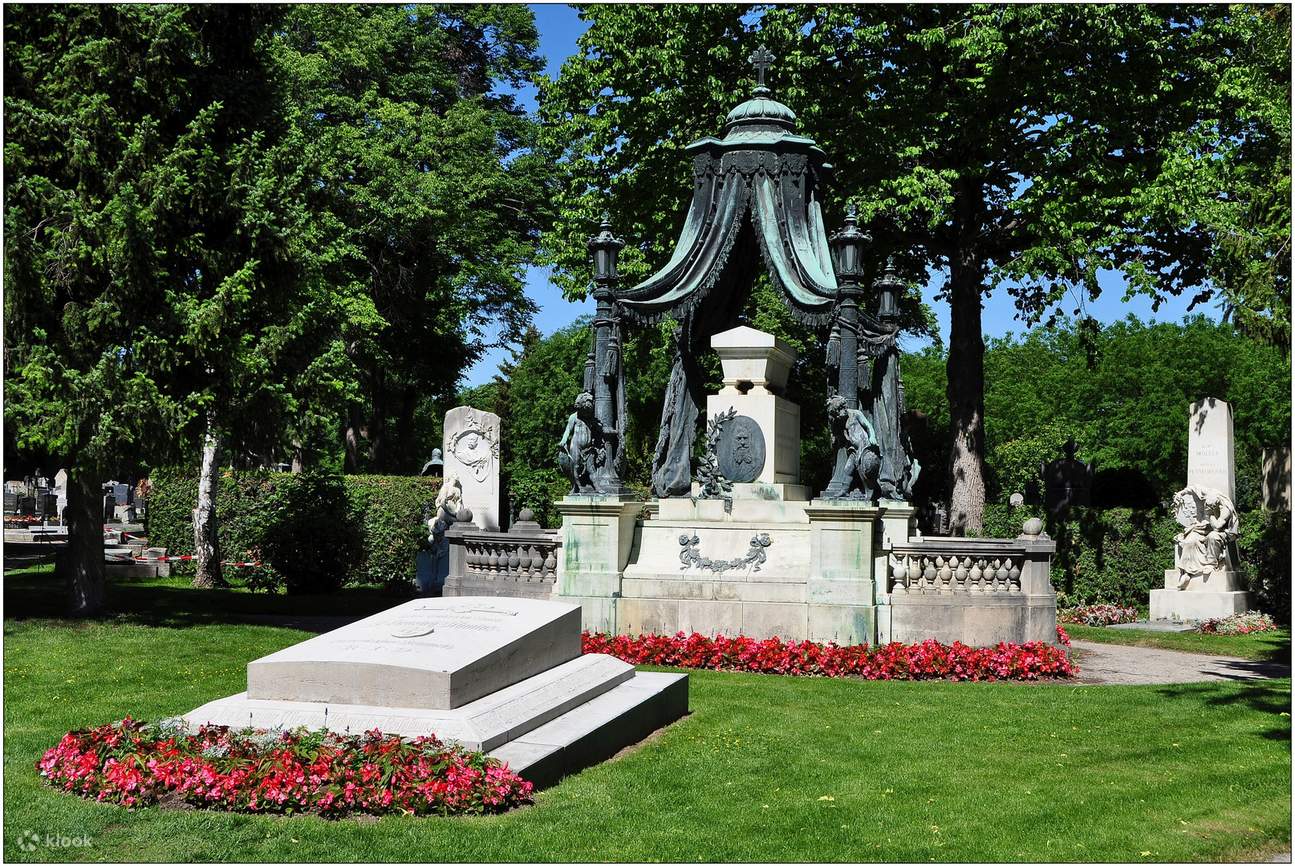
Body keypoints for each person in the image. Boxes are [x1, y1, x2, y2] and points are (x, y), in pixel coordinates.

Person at [826, 395, 882, 500]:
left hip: (864, 446)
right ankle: (844, 491)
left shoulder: (856, 414)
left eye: (838, 411)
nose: (838, 415)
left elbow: (867, 425)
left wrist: (872, 436)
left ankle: (869, 492)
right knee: (848, 469)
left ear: (843, 407)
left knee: (864, 470)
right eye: (836, 413)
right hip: (853, 449)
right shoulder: (840, 420)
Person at [558, 392, 601, 494]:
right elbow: (568, 430)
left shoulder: (590, 418)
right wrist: (563, 440)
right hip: (576, 446)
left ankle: (597, 487)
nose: (586, 413)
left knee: (591, 469)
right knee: (575, 467)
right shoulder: (574, 417)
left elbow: (597, 428)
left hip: (588, 448)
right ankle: (577, 487)